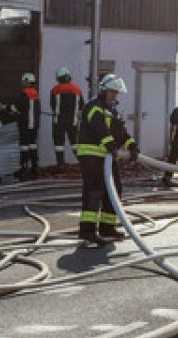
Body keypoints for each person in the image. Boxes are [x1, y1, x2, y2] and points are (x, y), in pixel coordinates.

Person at [75, 74, 138, 248]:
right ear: (104, 90)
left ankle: (107, 227)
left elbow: (121, 133)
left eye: (116, 93)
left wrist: (132, 146)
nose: (114, 96)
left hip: (106, 156)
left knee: (115, 188)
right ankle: (87, 231)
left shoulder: (112, 111)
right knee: (94, 190)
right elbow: (100, 129)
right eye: (112, 92)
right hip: (91, 155)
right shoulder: (93, 107)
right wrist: (111, 147)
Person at [5, 72, 41, 180]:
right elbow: (26, 109)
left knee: (24, 146)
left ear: (26, 81)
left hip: (25, 125)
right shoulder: (35, 94)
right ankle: (35, 167)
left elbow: (15, 108)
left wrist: (6, 107)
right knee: (33, 145)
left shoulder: (25, 94)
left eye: (23, 81)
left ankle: (24, 168)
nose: (22, 83)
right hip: (34, 125)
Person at [49, 67, 83, 170]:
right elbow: (82, 105)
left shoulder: (55, 90)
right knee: (75, 143)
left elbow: (52, 105)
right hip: (73, 121)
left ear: (59, 78)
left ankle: (60, 165)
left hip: (58, 121)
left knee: (59, 144)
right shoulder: (77, 89)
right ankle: (83, 163)